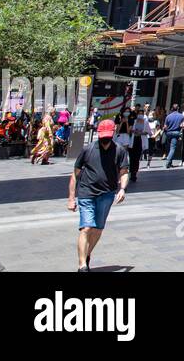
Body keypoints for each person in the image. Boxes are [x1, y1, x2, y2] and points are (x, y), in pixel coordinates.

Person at [68, 119, 129, 272]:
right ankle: (82, 265)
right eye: (103, 136)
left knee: (98, 229)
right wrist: (71, 198)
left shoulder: (120, 151)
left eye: (108, 136)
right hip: (86, 193)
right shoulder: (88, 150)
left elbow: (124, 172)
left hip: (107, 195)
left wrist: (122, 189)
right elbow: (75, 175)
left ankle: (87, 254)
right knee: (86, 228)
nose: (105, 140)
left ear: (113, 134)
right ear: (98, 134)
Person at [129, 110, 150, 182]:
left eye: (142, 114)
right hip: (133, 140)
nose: (140, 115)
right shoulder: (134, 121)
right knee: (132, 157)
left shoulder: (145, 122)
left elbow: (148, 132)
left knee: (137, 158)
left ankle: (134, 173)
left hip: (140, 141)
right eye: (139, 114)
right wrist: (134, 131)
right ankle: (131, 172)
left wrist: (141, 133)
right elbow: (130, 130)